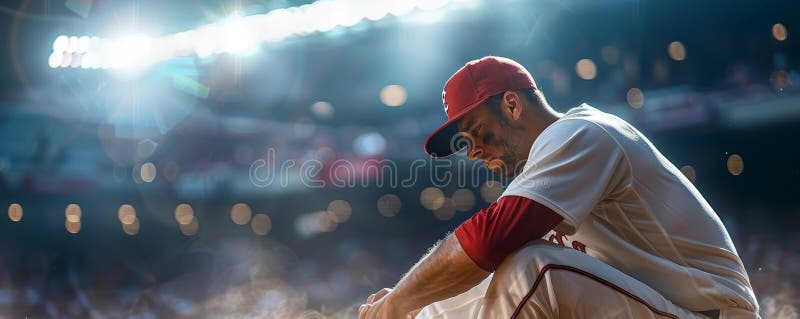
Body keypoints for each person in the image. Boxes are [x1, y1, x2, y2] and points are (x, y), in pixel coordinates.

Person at [358, 56, 759, 319]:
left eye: (477, 133)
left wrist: (397, 304)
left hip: (712, 312)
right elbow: (480, 275)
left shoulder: (581, 132)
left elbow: (488, 240)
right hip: (666, 307)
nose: (474, 152)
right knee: (482, 285)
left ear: (513, 106)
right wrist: (412, 306)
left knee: (533, 267)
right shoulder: (550, 164)